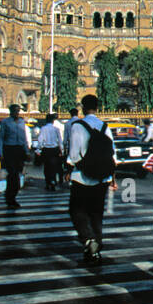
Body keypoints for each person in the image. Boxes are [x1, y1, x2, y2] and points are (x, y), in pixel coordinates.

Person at [67, 94, 116, 264]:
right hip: (102, 178)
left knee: (77, 210)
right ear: (98, 107)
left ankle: (88, 240)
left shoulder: (77, 126)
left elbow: (73, 155)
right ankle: (96, 246)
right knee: (96, 213)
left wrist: (79, 166)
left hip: (81, 177)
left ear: (82, 107)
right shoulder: (105, 126)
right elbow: (112, 154)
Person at [0, 104, 31, 209]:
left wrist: (27, 151)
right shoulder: (5, 122)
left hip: (19, 150)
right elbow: (1, 138)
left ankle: (13, 196)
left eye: (18, 111)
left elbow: (24, 138)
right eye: (15, 111)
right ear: (11, 111)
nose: (17, 113)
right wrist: (1, 153)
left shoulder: (22, 122)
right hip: (9, 149)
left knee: (17, 174)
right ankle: (10, 198)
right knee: (12, 174)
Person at [36, 112, 64, 191]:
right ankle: (53, 181)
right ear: (53, 121)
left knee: (47, 167)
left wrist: (38, 149)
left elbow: (40, 140)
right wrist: (61, 150)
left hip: (46, 150)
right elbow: (60, 141)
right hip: (54, 150)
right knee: (54, 166)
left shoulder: (43, 129)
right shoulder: (56, 129)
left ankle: (48, 182)